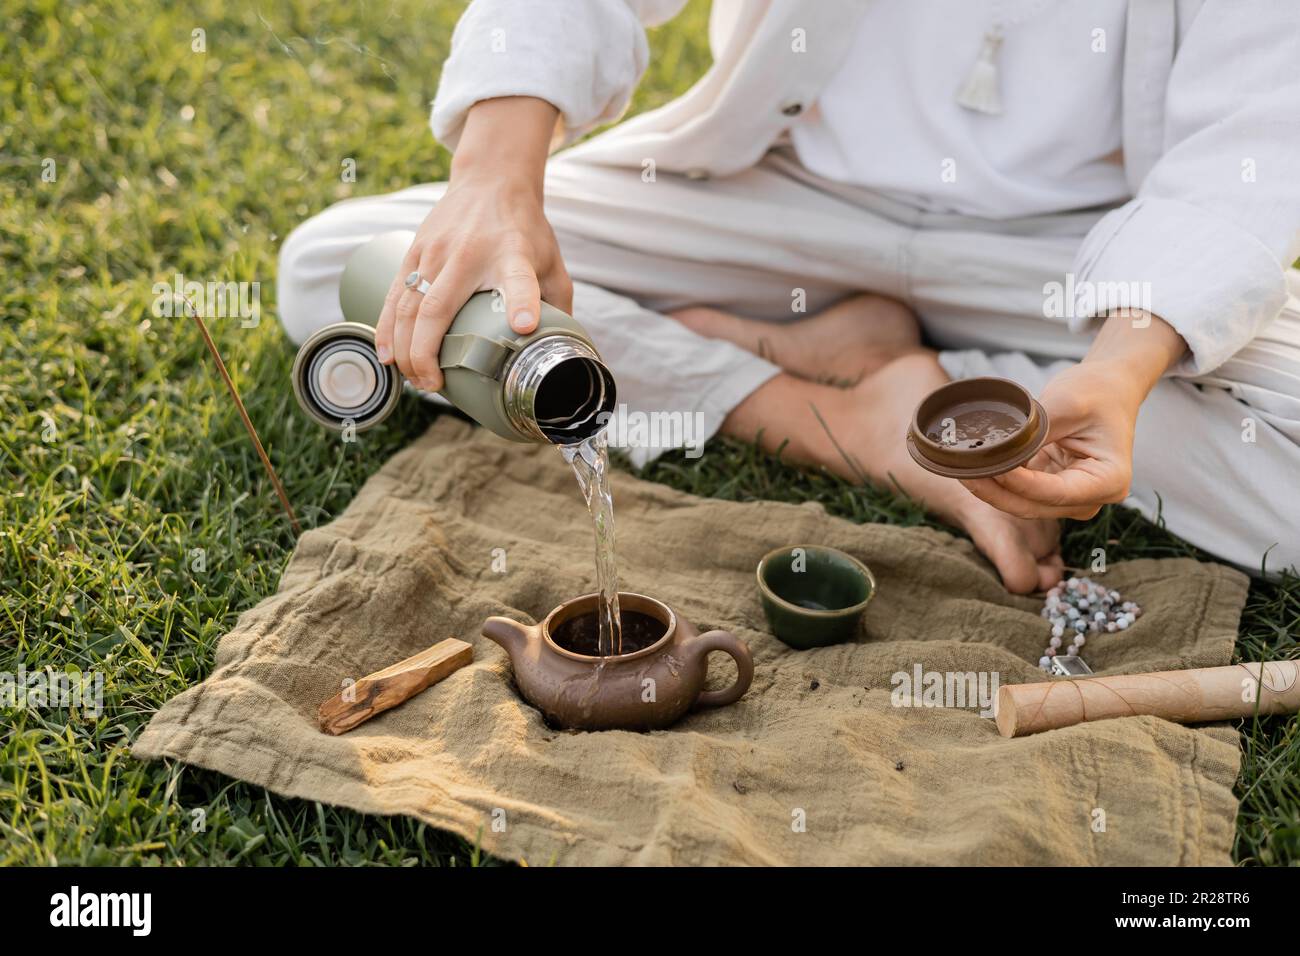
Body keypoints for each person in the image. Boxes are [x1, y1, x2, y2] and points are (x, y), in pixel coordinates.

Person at [277, 0, 1300, 593]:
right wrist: (494, 179)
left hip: (1080, 255)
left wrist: (1119, 376)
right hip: (780, 198)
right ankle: (859, 412)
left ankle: (929, 383)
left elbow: (1253, 139)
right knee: (349, 270)